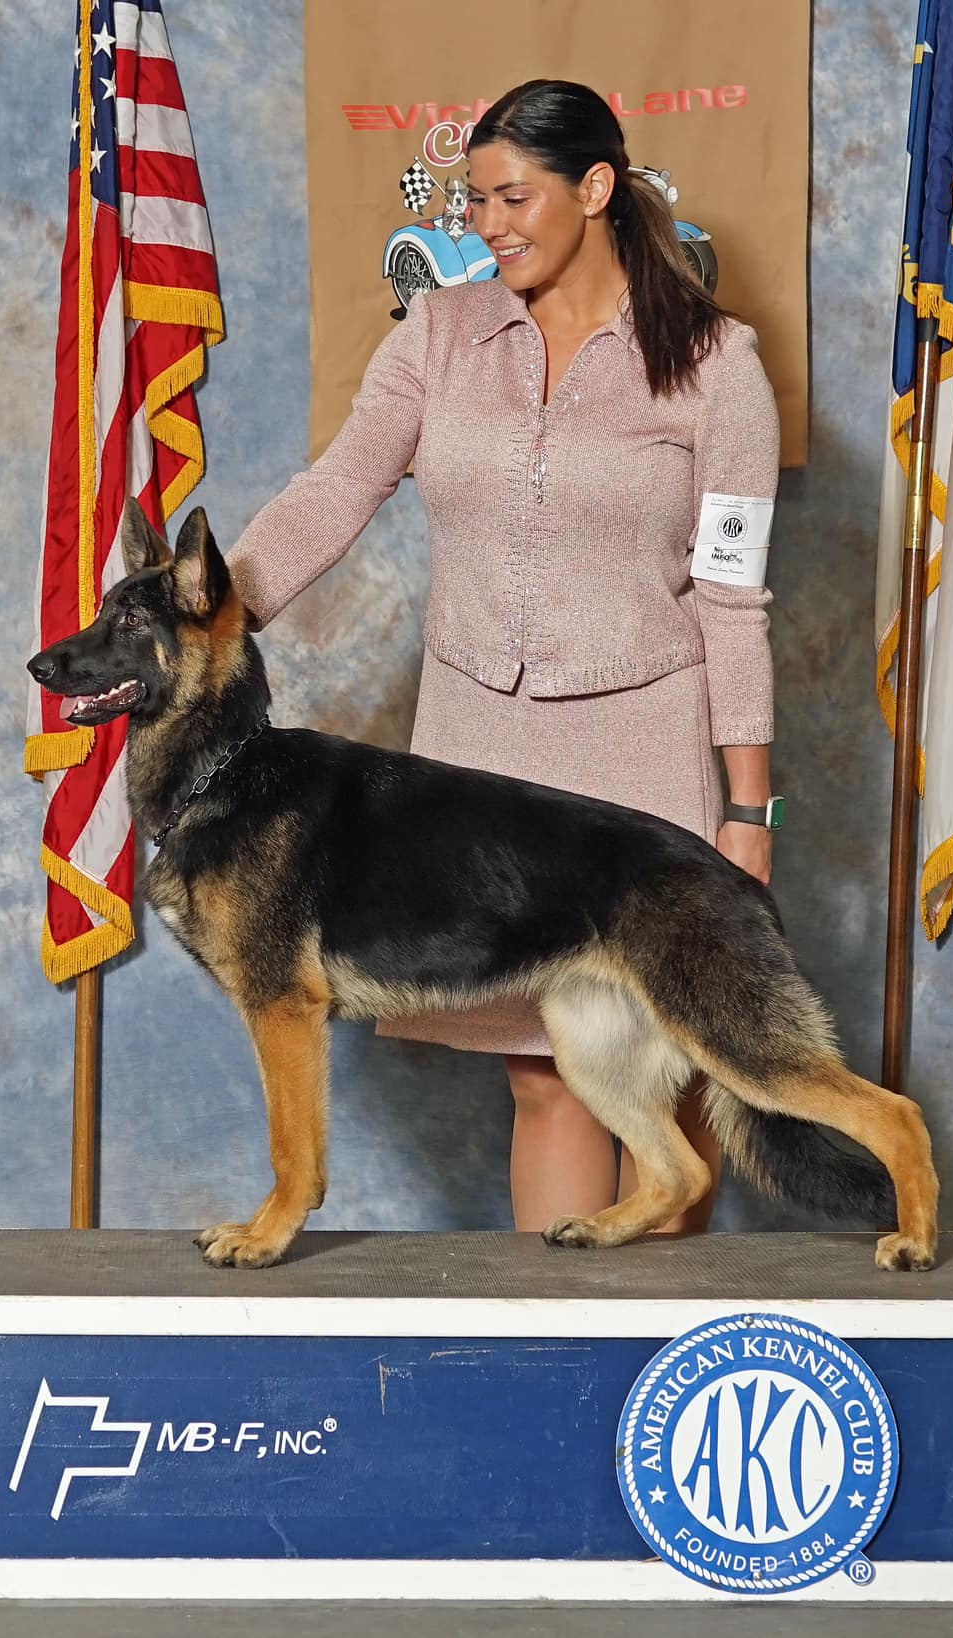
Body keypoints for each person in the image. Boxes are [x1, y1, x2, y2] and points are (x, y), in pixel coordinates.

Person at [224, 79, 783, 1241]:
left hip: (641, 741)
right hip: (475, 749)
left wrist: (748, 807)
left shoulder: (718, 364)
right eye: (472, 199)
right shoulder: (437, 334)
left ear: (594, 189)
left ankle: (650, 1387)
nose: (484, 223)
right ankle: (561, 1361)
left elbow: (732, 598)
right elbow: (333, 491)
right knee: (542, 1072)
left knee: (662, 1076)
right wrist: (205, 625)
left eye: (509, 196)